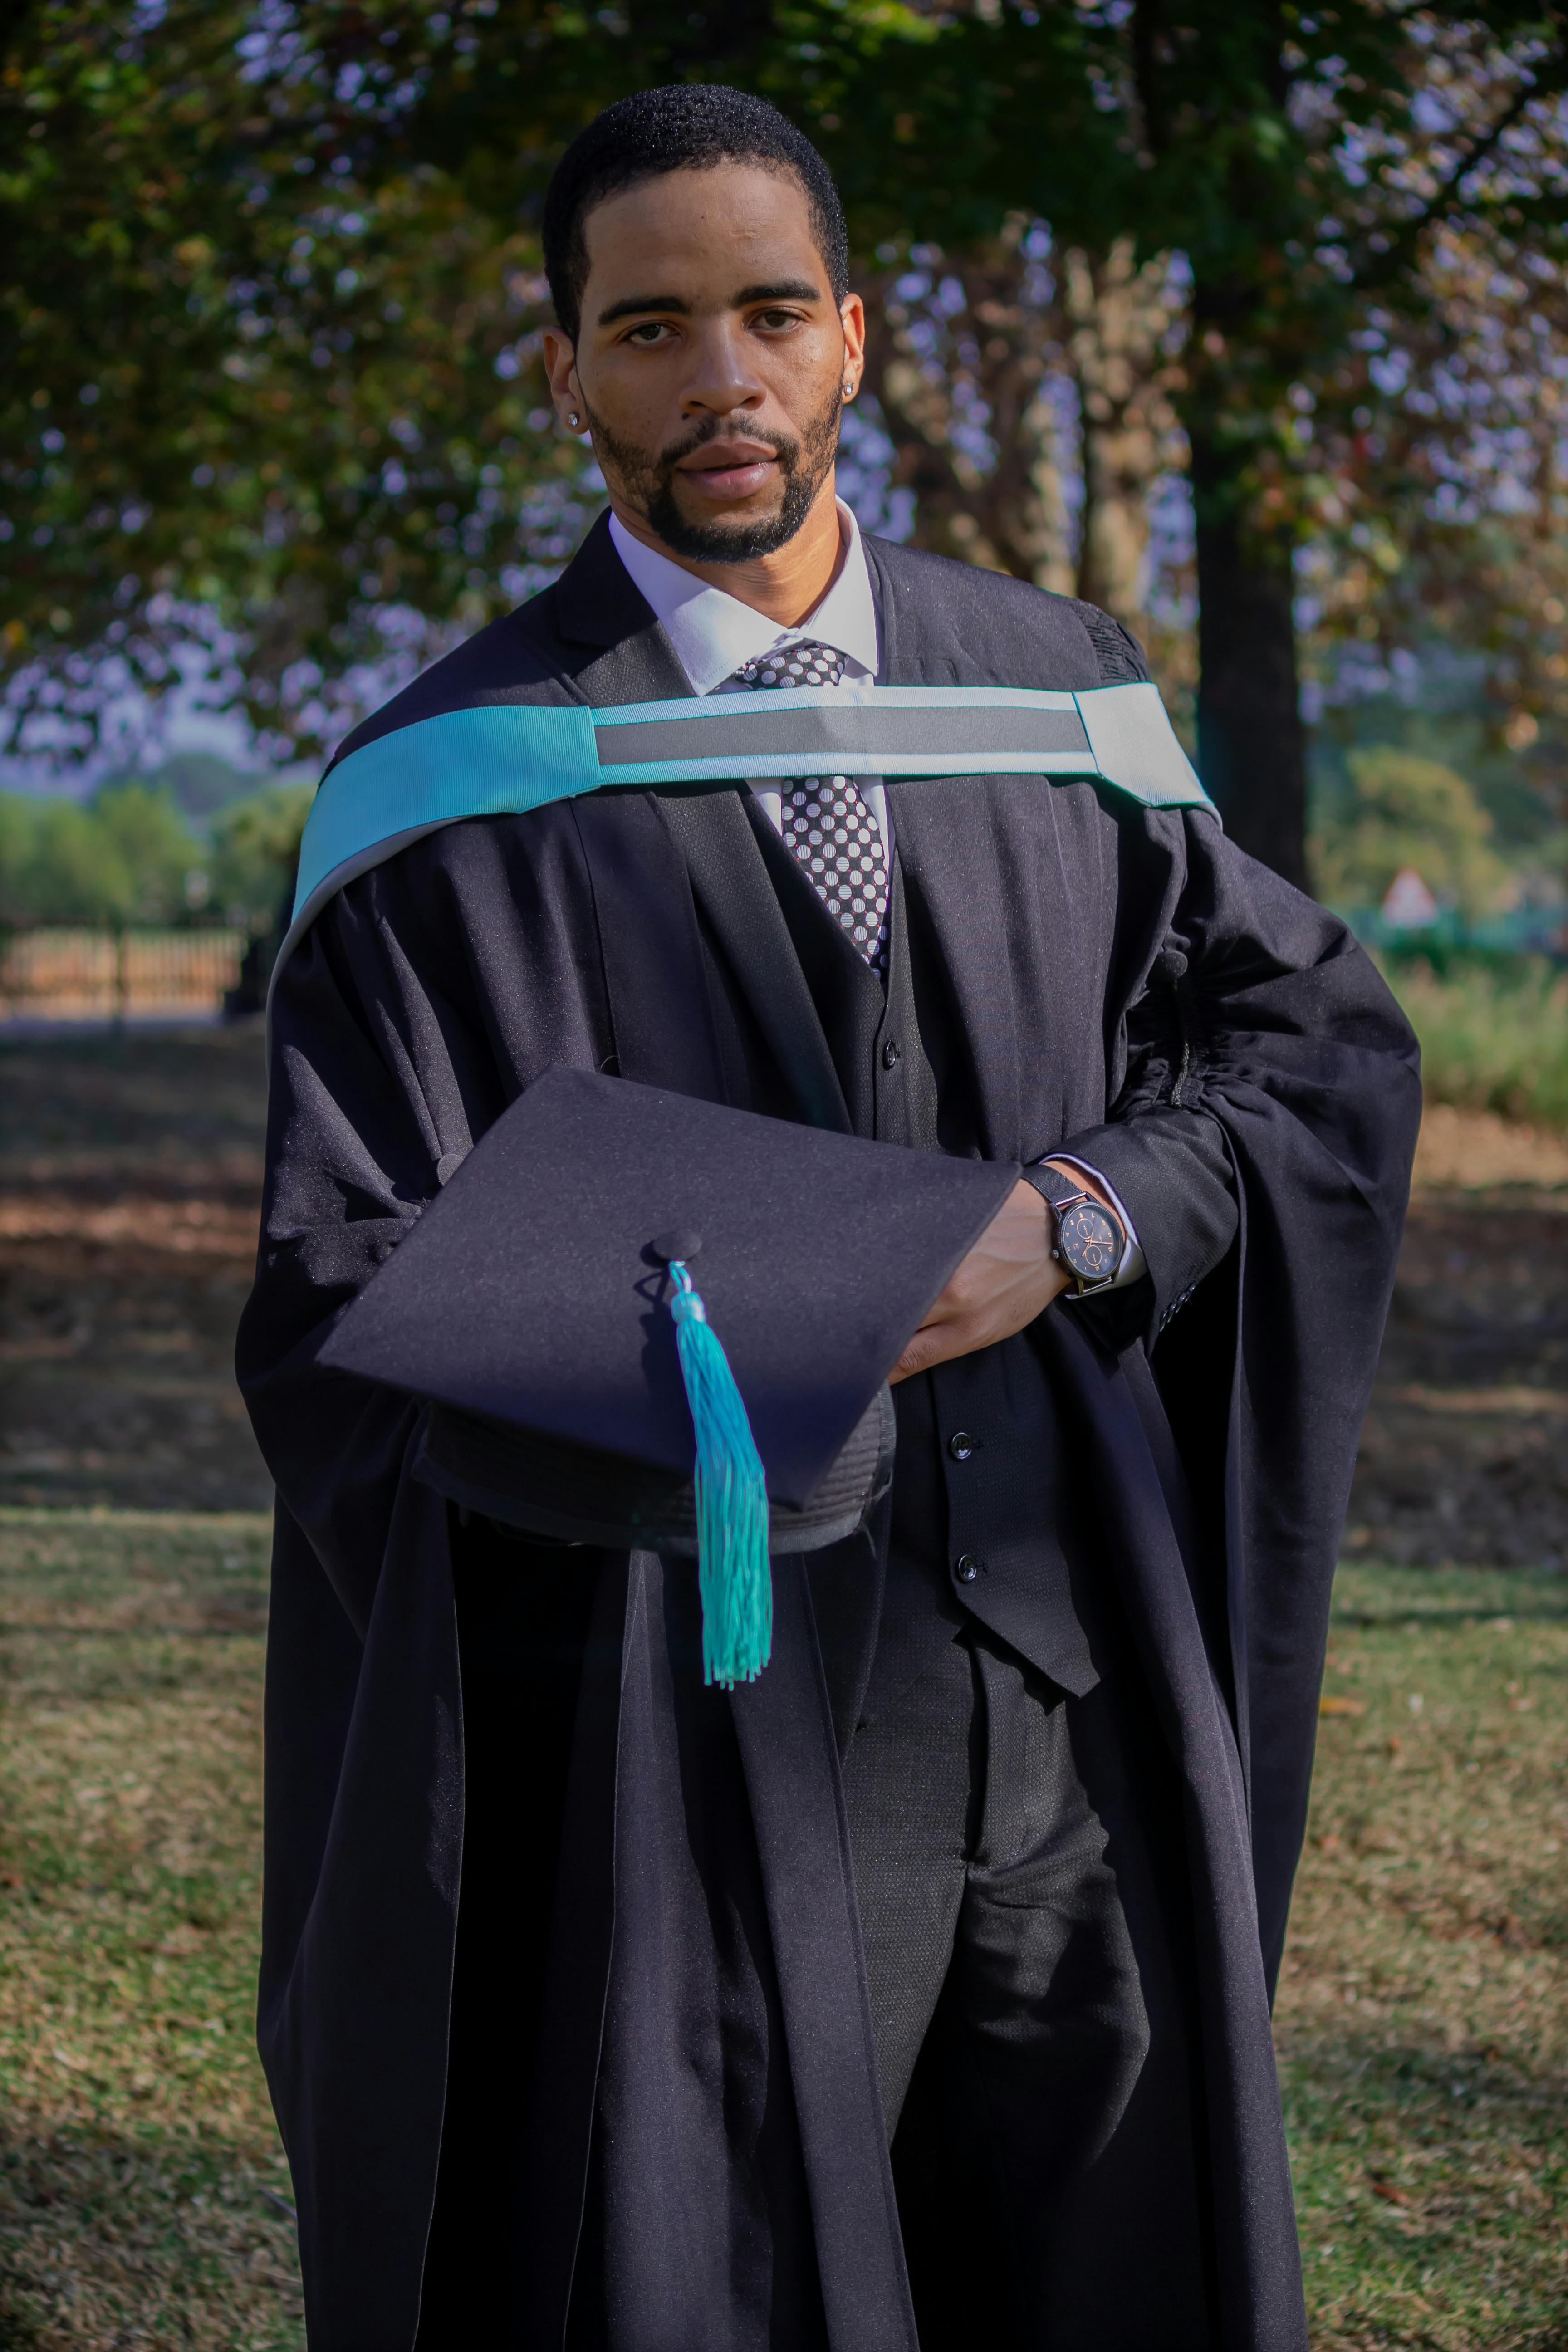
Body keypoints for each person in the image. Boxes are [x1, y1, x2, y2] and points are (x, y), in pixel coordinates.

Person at [237, 82, 1420, 2352]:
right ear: (563, 367)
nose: (722, 380)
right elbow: (339, 1294)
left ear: (856, 338)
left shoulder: (1058, 699)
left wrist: (1068, 1218)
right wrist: (776, 1310)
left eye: (771, 314)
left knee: (1112, 2265)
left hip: (1076, 1687)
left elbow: (1313, 1055)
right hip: (706, 1742)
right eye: (651, 327)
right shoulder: (456, 787)